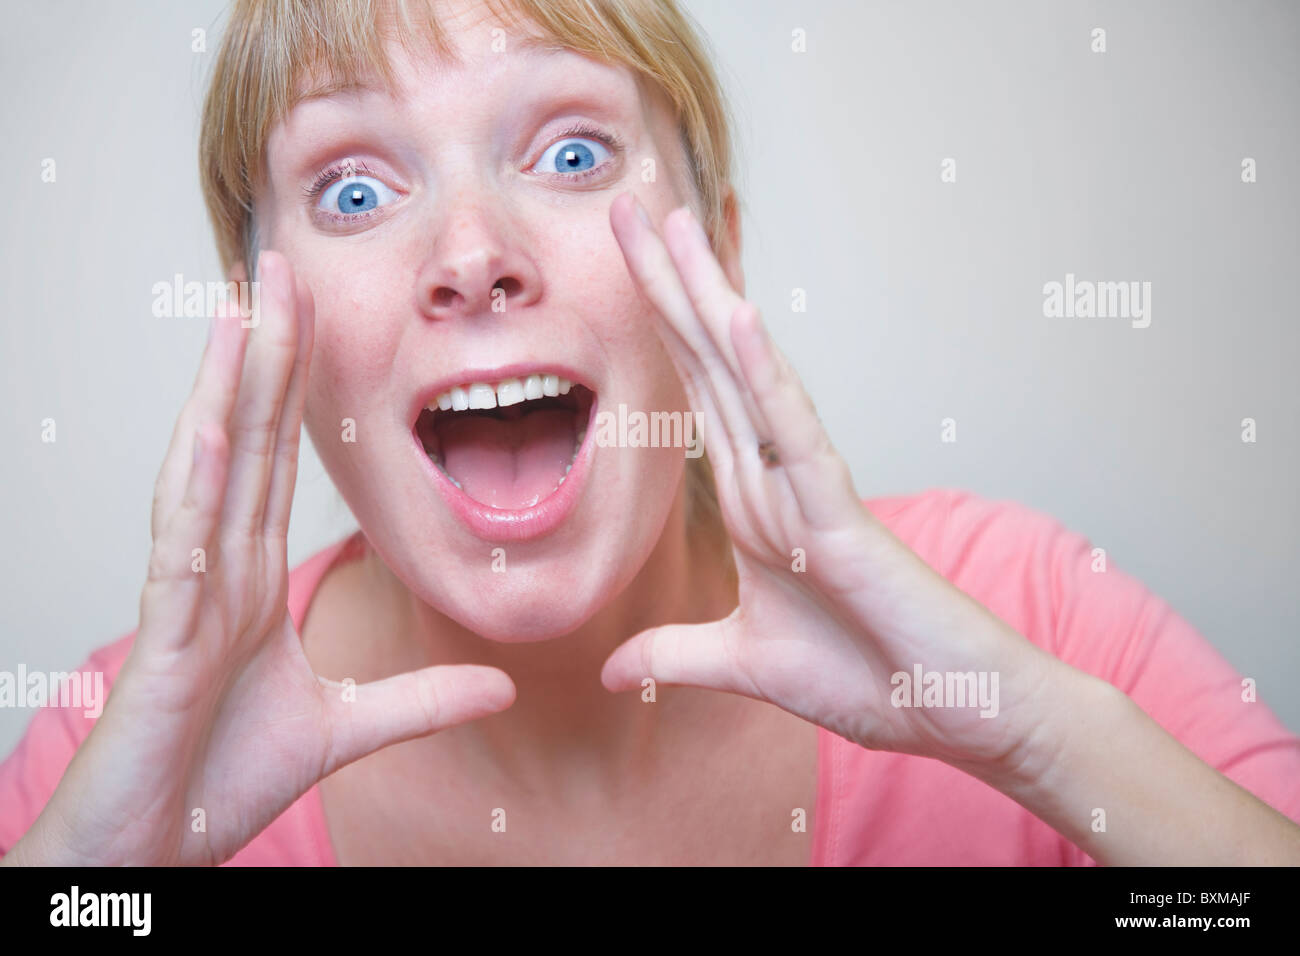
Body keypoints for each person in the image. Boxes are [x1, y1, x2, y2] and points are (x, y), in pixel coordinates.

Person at [2, 0, 1298, 866]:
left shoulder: (1025, 621)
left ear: (717, 254)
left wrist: (1036, 739)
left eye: (571, 155)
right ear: (266, 322)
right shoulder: (128, 748)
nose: (471, 256)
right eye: (353, 188)